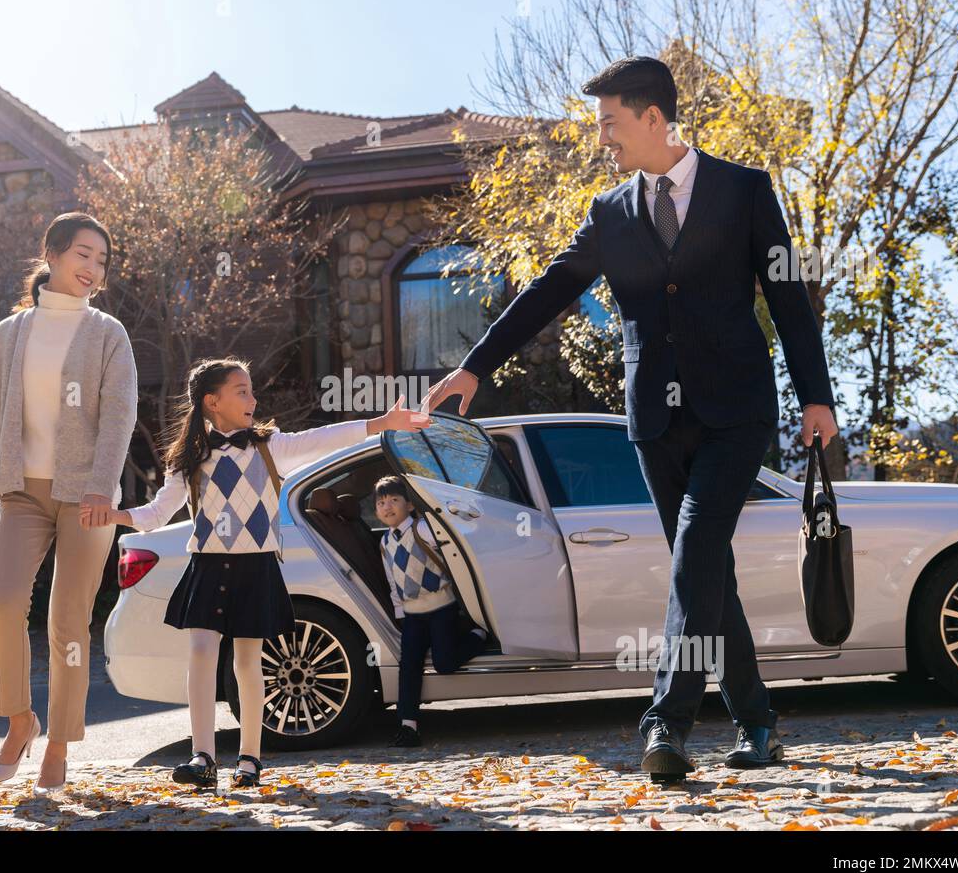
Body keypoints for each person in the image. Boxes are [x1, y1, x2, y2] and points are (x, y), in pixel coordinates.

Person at [420, 56, 840, 784]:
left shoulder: (744, 191)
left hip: (735, 411)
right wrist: (477, 364)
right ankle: (760, 721)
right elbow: (551, 287)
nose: (602, 139)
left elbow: (787, 294)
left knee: (695, 549)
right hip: (653, 417)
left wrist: (816, 395)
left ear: (654, 118)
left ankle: (666, 725)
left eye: (610, 123)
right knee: (709, 570)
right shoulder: (610, 211)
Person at [82, 358, 430, 790]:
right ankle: (203, 758)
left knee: (248, 660)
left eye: (251, 390)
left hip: (256, 564)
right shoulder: (189, 457)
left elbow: (322, 439)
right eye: (242, 391)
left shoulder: (269, 445)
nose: (253, 398)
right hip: (207, 564)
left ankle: (249, 759)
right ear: (213, 402)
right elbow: (156, 514)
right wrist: (115, 515)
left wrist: (380, 423)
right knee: (202, 653)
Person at [0, 212, 136, 795]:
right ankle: (19, 720)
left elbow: (118, 416)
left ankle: (58, 742)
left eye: (102, 261)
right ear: (53, 254)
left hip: (88, 496)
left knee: (68, 623)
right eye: (84, 254)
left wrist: (101, 486)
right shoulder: (9, 336)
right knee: (2, 602)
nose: (93, 269)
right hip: (23, 493)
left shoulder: (108, 333)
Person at [374, 475, 487, 747]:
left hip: (441, 607)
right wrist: (400, 613)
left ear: (410, 505)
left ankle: (478, 636)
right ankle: (408, 725)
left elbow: (452, 542)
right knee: (409, 666)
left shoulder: (422, 529)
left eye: (394, 500)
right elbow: (393, 580)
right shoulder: (385, 542)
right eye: (380, 503)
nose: (387, 507)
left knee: (444, 663)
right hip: (413, 614)